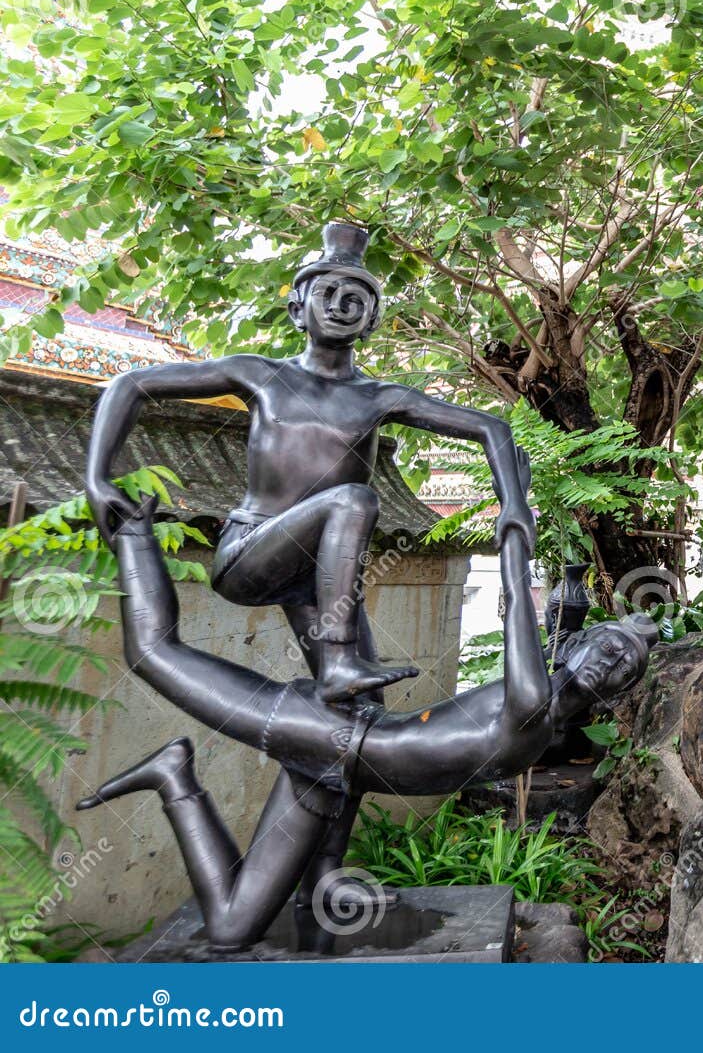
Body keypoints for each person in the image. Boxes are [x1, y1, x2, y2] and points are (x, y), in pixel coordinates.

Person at [77, 495, 656, 951]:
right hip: (330, 734)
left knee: (235, 926)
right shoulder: (532, 698)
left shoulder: (544, 724)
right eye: (607, 646)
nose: (610, 660)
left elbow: (401, 765)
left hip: (341, 766)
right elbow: (514, 596)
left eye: (622, 665)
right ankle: (133, 532)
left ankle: (175, 776)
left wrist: (326, 869)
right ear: (575, 642)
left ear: (619, 692)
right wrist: (514, 527)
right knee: (153, 654)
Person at [86, 222, 535, 704]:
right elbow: (129, 385)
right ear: (297, 311)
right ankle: (338, 660)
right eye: (329, 293)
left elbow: (495, 429)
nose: (342, 305)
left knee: (361, 715)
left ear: (371, 323)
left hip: (320, 579)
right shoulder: (260, 374)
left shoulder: (379, 397)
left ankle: (324, 737)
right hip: (250, 552)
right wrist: (97, 476)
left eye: (357, 300)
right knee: (353, 499)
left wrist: (513, 504)